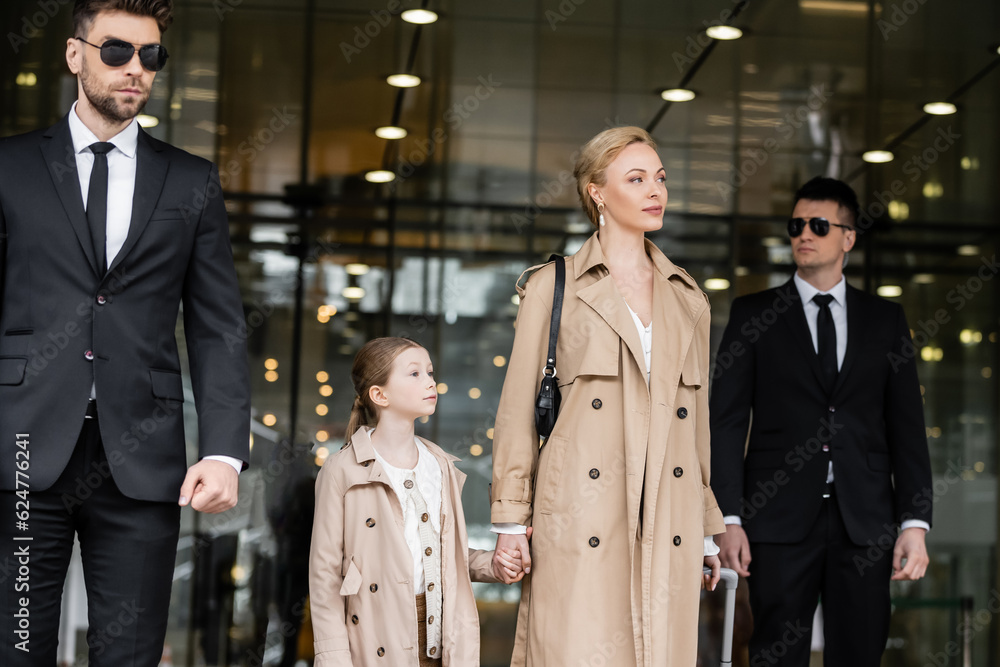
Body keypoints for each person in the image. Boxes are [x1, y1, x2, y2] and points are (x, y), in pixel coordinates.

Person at [0, 1, 251, 665]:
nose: (134, 69)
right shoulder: (10, 167)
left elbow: (218, 321)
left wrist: (225, 450)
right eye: (116, 51)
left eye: (150, 56)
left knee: (129, 653)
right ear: (74, 54)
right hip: (21, 450)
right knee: (16, 644)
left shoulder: (190, 179)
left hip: (141, 456)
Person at [490, 126, 725, 667]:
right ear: (597, 191)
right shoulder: (555, 286)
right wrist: (508, 522)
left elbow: (697, 430)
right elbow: (517, 412)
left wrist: (708, 528)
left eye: (660, 179)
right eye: (636, 178)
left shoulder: (688, 299)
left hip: (667, 519)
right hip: (579, 515)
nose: (655, 191)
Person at [710, 176, 932, 666]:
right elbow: (725, 422)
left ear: (848, 238)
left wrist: (914, 522)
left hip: (865, 520)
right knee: (775, 654)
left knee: (859, 652)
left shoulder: (885, 320)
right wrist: (727, 518)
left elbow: (907, 427)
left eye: (817, 225)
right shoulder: (753, 315)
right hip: (776, 517)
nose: (803, 234)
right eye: (795, 225)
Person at [309, 337, 524, 666]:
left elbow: (442, 553)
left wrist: (492, 564)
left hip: (443, 637)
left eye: (430, 372)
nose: (429, 381)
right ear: (379, 395)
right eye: (414, 374)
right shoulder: (342, 470)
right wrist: (334, 660)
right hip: (376, 635)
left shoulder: (439, 465)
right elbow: (324, 577)